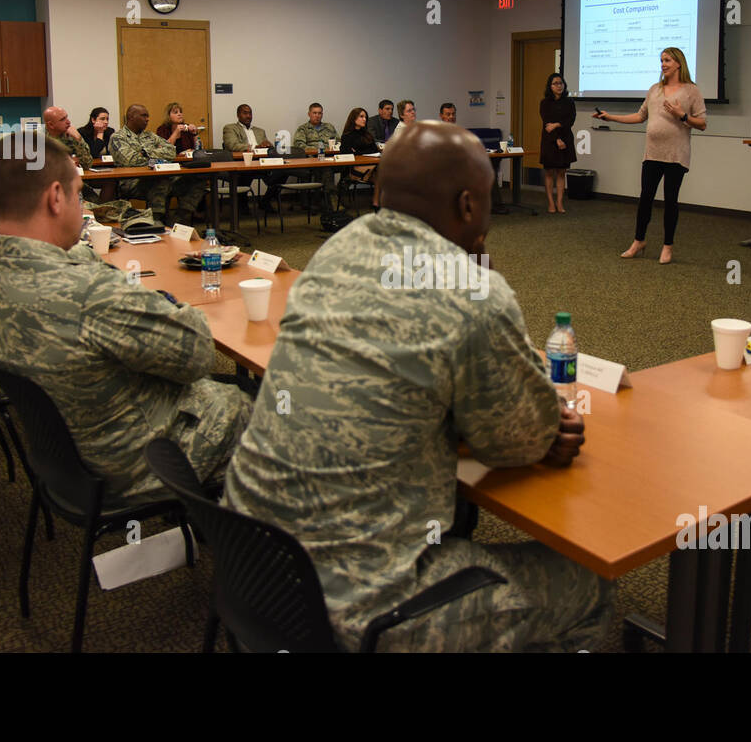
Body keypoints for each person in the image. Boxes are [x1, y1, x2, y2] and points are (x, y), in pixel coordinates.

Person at [223, 120, 613, 652]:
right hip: (357, 608)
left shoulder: (331, 256)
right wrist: (545, 426)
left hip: (253, 565)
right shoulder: (470, 291)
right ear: (470, 205)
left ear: (379, 192)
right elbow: (516, 443)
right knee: (586, 584)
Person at [0, 133, 251, 505]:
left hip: (69, 459)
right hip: (140, 459)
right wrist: (166, 303)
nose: (83, 207)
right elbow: (197, 353)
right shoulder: (87, 292)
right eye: (79, 194)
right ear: (55, 197)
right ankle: (253, 548)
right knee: (287, 409)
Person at [594, 47, 706, 264]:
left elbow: (702, 123)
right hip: (652, 153)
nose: (663, 64)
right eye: (661, 60)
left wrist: (681, 115)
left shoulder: (691, 90)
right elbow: (640, 116)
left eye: (667, 60)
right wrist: (611, 118)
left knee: (671, 201)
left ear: (679, 64)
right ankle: (639, 241)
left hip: (676, 154)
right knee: (645, 198)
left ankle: (668, 246)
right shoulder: (655, 89)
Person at [110, 103, 206, 226]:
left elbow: (171, 151)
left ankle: (179, 219)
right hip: (133, 182)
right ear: (131, 117)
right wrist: (158, 154)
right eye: (144, 116)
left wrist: (144, 153)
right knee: (160, 180)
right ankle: (156, 220)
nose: (148, 119)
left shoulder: (150, 136)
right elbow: (131, 160)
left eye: (148, 116)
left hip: (161, 177)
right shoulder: (118, 137)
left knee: (198, 179)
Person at [539, 73, 576, 214]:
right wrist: (556, 138)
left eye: (561, 83)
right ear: (550, 86)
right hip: (549, 140)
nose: (559, 86)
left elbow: (570, 120)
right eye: (555, 83)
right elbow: (547, 124)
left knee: (561, 172)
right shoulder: (545, 103)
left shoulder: (569, 102)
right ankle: (550, 203)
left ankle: (560, 203)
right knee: (549, 172)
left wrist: (557, 125)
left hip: (566, 138)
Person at [339, 106, 379, 208]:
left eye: (365, 117)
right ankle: (378, 203)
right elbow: (345, 153)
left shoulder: (367, 135)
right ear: (353, 118)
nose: (364, 119)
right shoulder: (347, 136)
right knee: (381, 174)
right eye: (361, 116)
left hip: (371, 166)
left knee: (382, 173)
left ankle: (378, 202)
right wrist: (362, 152)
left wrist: (358, 152)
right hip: (355, 169)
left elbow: (374, 150)